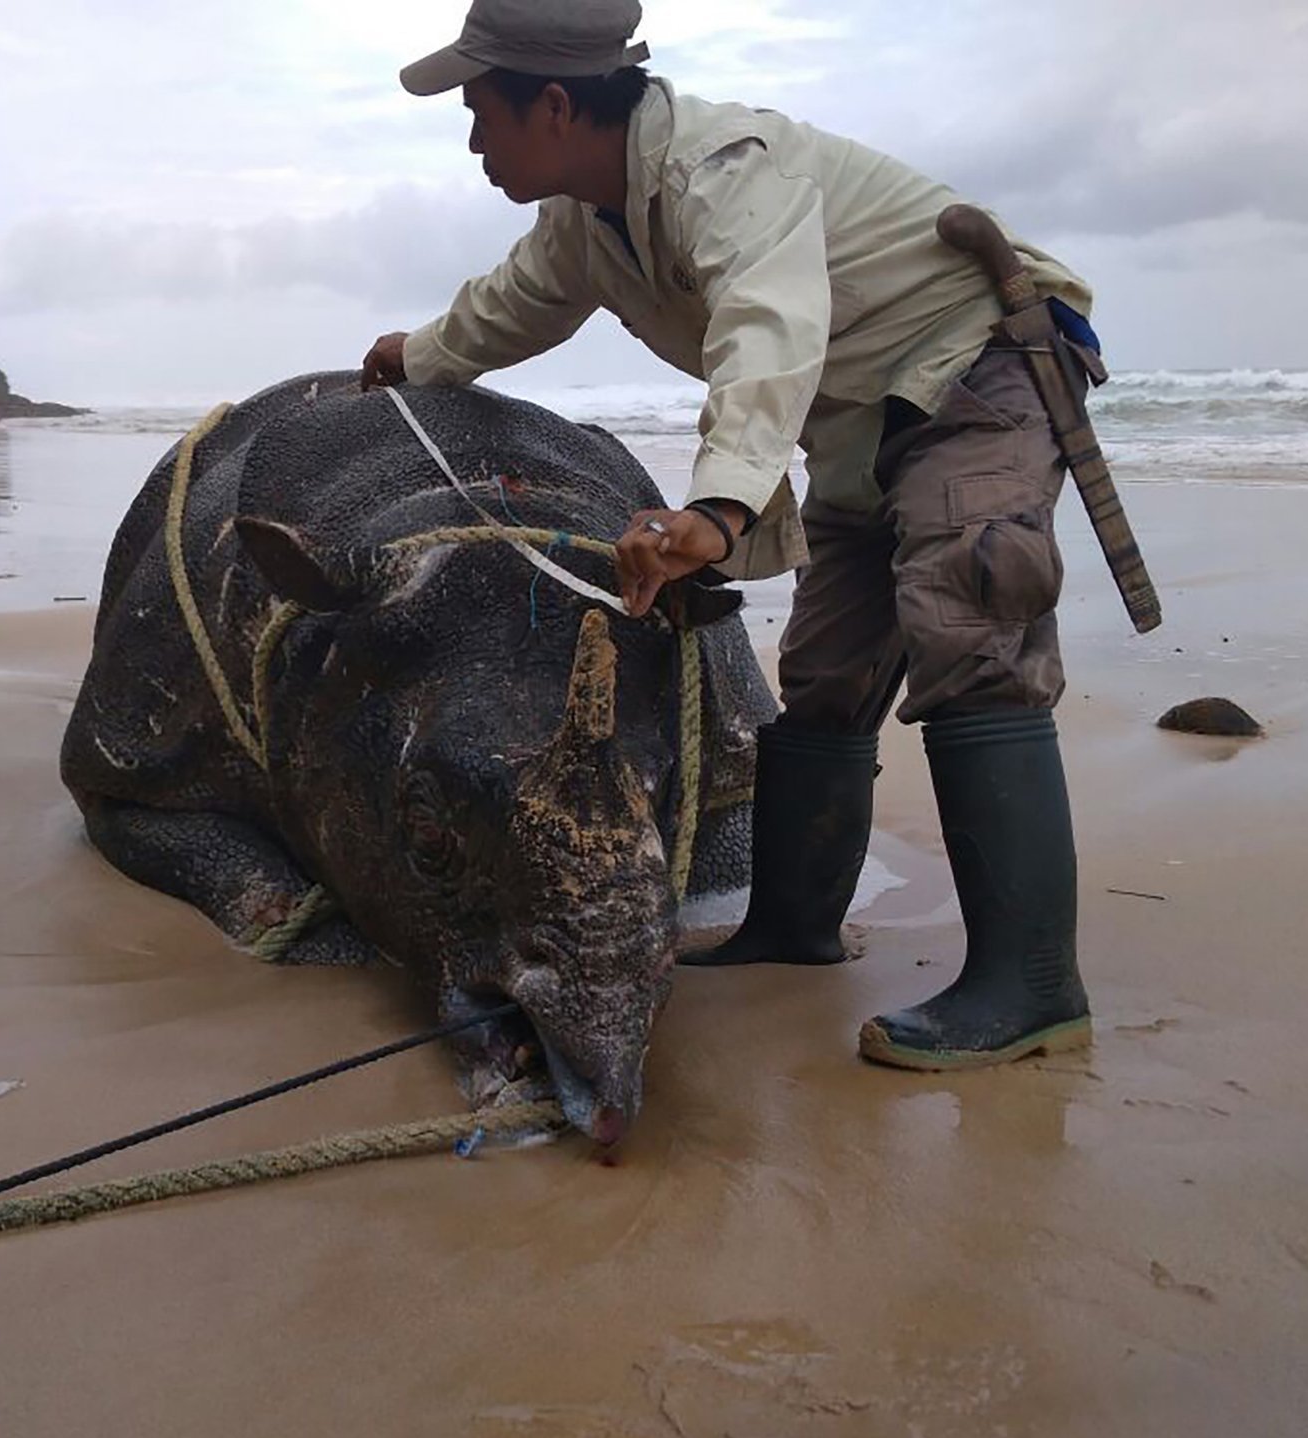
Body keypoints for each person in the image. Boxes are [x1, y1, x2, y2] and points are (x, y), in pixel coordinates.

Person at [360, 0, 1106, 1071]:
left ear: (556, 105)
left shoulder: (726, 170)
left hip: (978, 359)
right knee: (826, 670)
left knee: (965, 621)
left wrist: (715, 512)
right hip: (858, 418)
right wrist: (416, 355)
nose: (473, 140)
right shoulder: (584, 220)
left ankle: (1032, 984)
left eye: (481, 113)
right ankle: (792, 930)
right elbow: (510, 306)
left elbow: (768, 324)